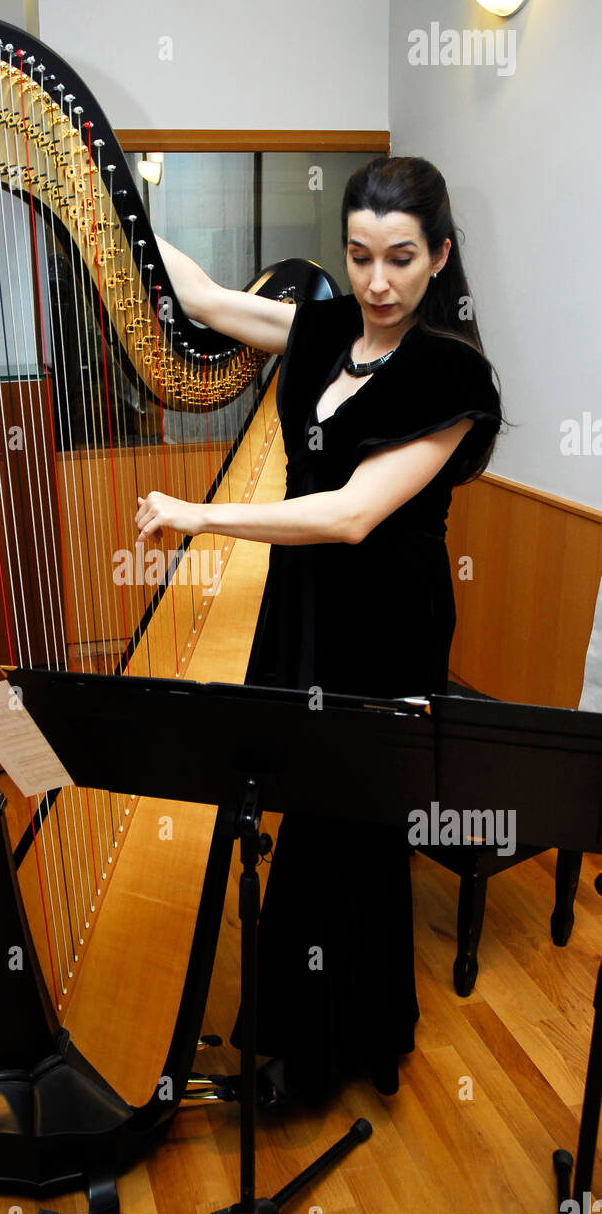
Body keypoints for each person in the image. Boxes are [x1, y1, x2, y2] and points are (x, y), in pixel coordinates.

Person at [135, 156, 503, 1105]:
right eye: (361, 256)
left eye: (402, 259)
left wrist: (205, 518)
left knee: (354, 828)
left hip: (386, 621)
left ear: (439, 257)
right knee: (308, 815)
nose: (378, 283)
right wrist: (112, 213)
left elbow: (348, 514)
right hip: (307, 597)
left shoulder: (454, 374)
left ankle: (337, 1048)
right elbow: (212, 301)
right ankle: (300, 1029)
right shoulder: (331, 326)